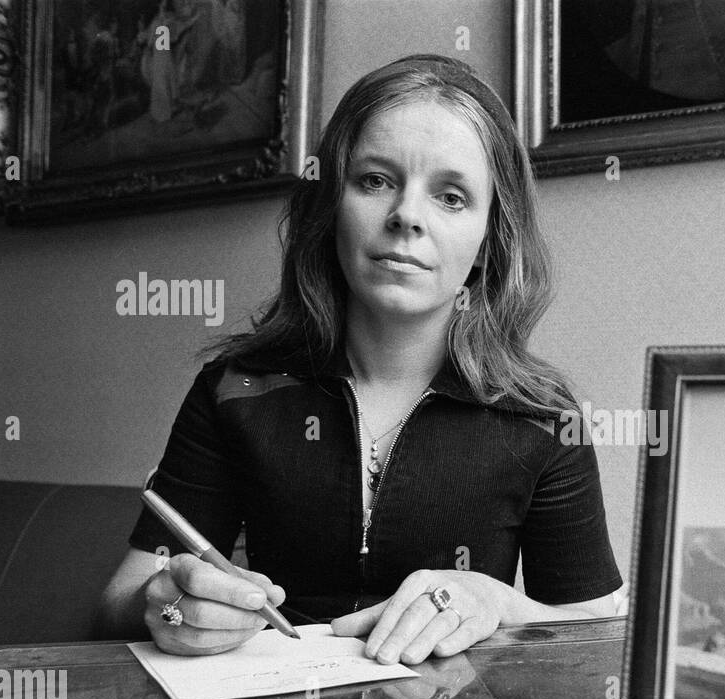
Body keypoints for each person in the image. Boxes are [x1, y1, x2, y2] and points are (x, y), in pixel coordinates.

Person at [99, 54, 624, 665]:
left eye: (451, 197)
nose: (406, 216)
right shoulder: (236, 389)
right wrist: (168, 608)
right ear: (331, 208)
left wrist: (497, 603)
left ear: (489, 240)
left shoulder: (542, 417)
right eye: (375, 180)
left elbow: (600, 638)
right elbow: (115, 605)